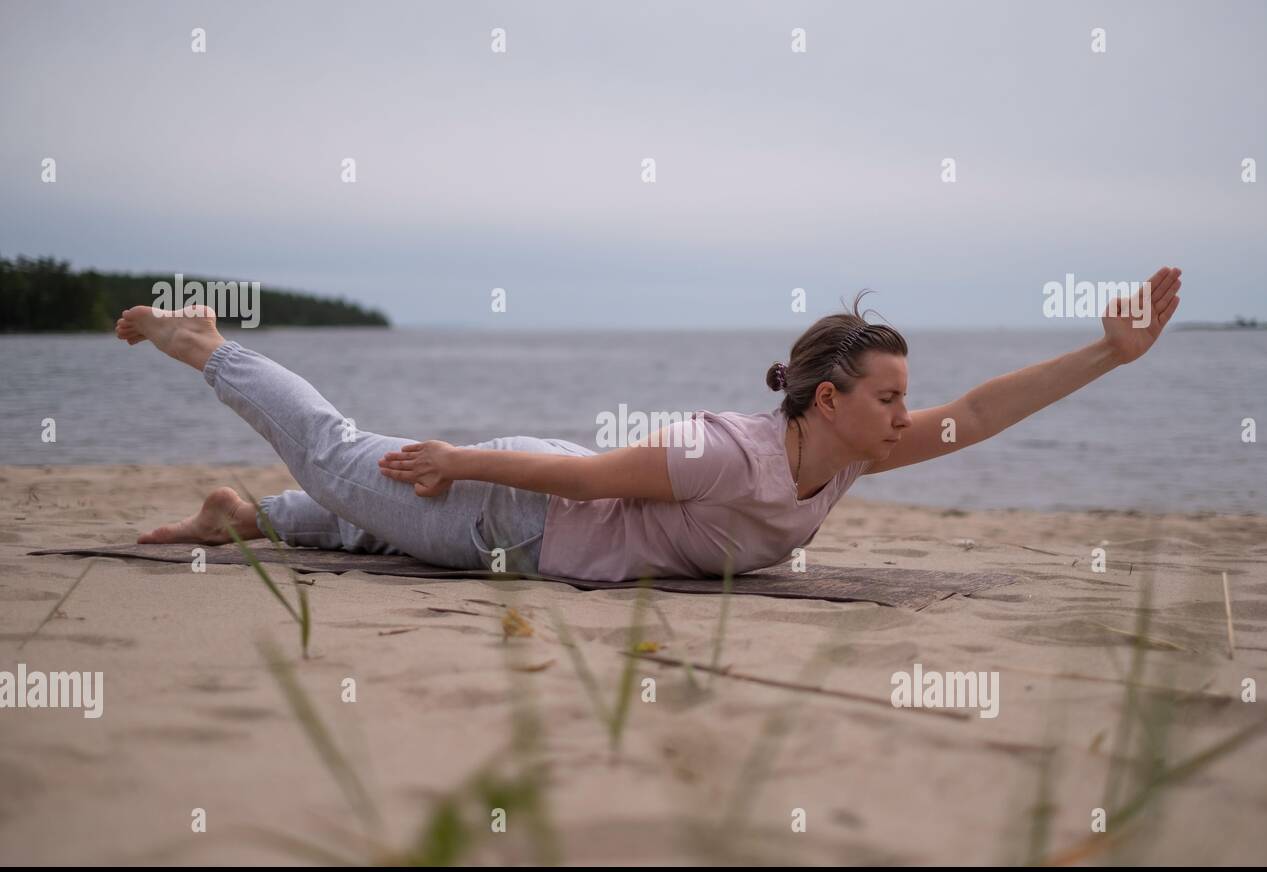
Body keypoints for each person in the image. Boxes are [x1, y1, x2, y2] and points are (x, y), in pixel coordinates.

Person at [117, 267, 1182, 581]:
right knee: (348, 459)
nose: (910, 414)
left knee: (366, 518)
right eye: (892, 395)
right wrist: (454, 457)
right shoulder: (733, 451)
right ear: (830, 398)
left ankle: (244, 515)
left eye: (905, 397)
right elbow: (585, 480)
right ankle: (207, 344)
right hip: (522, 518)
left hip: (541, 514)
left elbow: (983, 412)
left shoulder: (852, 454)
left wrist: (1106, 352)